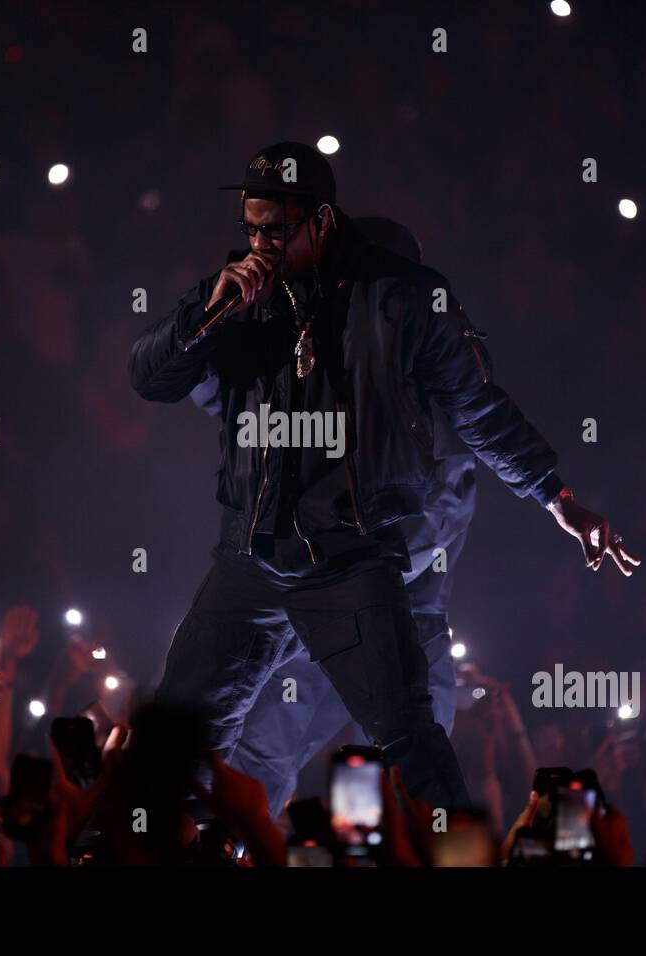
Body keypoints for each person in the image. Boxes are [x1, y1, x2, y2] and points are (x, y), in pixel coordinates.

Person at [130, 141, 638, 809]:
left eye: (275, 231)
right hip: (250, 557)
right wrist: (199, 319)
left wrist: (557, 497)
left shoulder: (399, 298)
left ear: (322, 220)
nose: (260, 245)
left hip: (348, 558)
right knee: (181, 741)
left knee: (409, 737)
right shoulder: (237, 294)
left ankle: (459, 854)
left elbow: (476, 406)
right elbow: (149, 378)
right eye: (250, 229)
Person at [191, 217, 475, 816]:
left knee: (413, 789)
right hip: (319, 626)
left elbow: (429, 527)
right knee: (262, 761)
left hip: (397, 630)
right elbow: (218, 392)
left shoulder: (431, 389)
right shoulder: (322, 364)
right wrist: (221, 328)